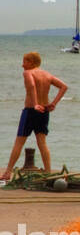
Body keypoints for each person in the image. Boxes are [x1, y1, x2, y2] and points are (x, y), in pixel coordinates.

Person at [0, 52, 68, 184]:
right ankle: (48, 173)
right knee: (42, 143)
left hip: (31, 110)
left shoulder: (28, 73)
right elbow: (64, 87)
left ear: (31, 62)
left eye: (24, 62)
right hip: (44, 111)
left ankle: (8, 172)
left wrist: (35, 103)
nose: (22, 65)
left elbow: (31, 86)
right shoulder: (47, 75)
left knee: (19, 141)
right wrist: (53, 103)